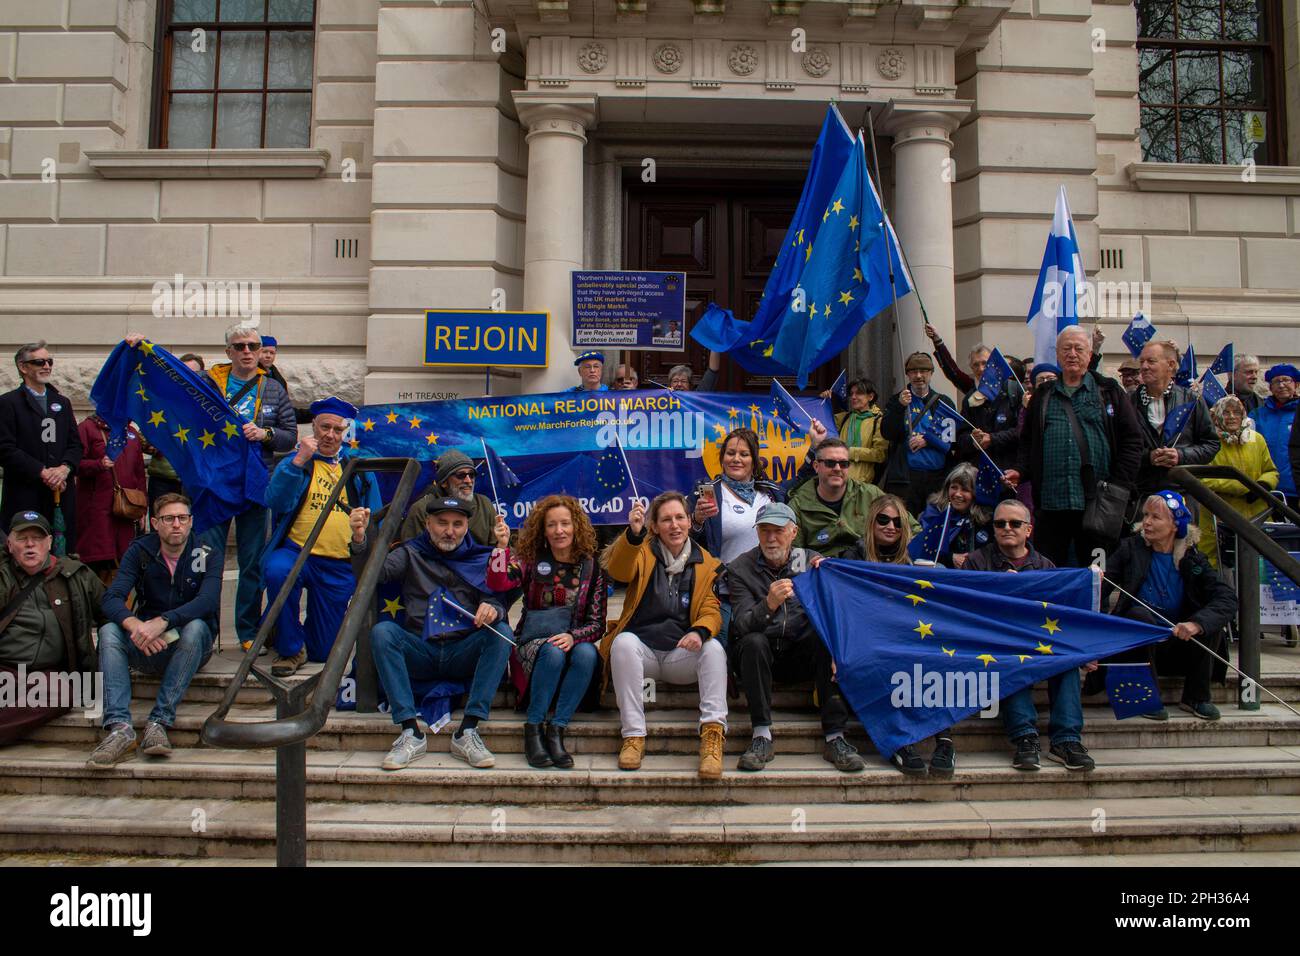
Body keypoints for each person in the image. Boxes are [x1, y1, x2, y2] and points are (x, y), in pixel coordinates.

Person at [354, 496, 514, 771]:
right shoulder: (409, 552)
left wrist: (492, 608)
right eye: (441, 523)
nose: (449, 531)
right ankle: (409, 732)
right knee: (383, 633)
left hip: (462, 651)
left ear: (467, 526)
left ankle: (468, 730)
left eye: (457, 524)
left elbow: (499, 597)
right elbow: (374, 575)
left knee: (500, 632)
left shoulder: (481, 557)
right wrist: (360, 539)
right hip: (421, 649)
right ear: (428, 524)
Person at [727, 502, 864, 772]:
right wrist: (768, 605)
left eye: (778, 531)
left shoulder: (810, 561)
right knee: (753, 641)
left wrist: (827, 575)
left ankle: (836, 737)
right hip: (761, 657)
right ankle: (761, 736)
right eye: (764, 530)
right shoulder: (740, 567)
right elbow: (742, 625)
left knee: (828, 640)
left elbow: (837, 611)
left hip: (802, 654)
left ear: (793, 532)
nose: (771, 538)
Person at [88, 494, 223, 767]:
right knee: (109, 631)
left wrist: (163, 622)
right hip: (147, 641)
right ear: (154, 523)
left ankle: (159, 721)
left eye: (182, 518)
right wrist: (136, 625)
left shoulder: (207, 552)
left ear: (190, 522)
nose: (176, 524)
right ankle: (119, 728)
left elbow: (207, 601)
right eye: (168, 519)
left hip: (191, 645)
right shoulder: (140, 550)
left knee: (195, 627)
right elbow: (111, 598)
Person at [601, 493, 726, 779]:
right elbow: (619, 571)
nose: (675, 525)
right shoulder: (642, 551)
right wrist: (633, 535)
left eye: (680, 517)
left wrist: (699, 630)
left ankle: (712, 735)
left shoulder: (705, 562)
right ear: (654, 526)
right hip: (643, 652)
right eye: (666, 519)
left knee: (714, 648)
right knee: (622, 642)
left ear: (688, 520)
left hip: (679, 655)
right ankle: (633, 737)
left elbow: (711, 608)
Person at [964, 499, 1096, 770]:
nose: (1007, 528)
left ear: (1028, 530)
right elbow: (967, 611)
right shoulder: (976, 561)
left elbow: (1063, 616)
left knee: (1067, 659)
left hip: (1039, 643)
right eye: (1000, 523)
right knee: (1010, 657)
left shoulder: (1045, 565)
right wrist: (1002, 591)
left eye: (1015, 523)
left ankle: (1066, 740)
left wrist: (1085, 650)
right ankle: (1026, 737)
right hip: (997, 643)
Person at [261, 397, 381, 676]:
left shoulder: (359, 470)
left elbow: (376, 517)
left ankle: (279, 625)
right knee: (278, 571)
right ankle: (289, 648)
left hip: (339, 563)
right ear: (313, 427)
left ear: (345, 433)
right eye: (324, 427)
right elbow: (275, 501)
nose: (330, 435)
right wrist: (299, 460)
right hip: (297, 552)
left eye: (337, 430)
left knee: (323, 652)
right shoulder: (296, 462)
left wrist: (364, 534)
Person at [486, 496, 606, 768]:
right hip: (534, 643)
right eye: (552, 525)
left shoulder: (591, 567)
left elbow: (598, 623)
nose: (559, 530)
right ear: (543, 529)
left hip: (573, 641)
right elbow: (498, 582)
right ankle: (534, 727)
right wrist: (501, 548)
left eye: (565, 523)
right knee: (552, 652)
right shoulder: (529, 560)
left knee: (587, 653)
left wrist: (574, 636)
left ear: (576, 526)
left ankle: (556, 731)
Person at [1007, 327, 1143, 567]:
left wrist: (1119, 485)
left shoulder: (1109, 392)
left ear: (1089, 354)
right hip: (1051, 503)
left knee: (1096, 576)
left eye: (1079, 348)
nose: (1072, 354)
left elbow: (1132, 442)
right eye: (1066, 349)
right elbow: (1028, 442)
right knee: (1051, 574)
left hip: (1097, 505)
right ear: (1057, 355)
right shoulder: (1043, 396)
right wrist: (1021, 470)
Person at [198, 325, 296, 652]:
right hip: (215, 484)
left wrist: (265, 435)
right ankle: (206, 633)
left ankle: (247, 630)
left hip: (256, 484)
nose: (246, 351)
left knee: (252, 562)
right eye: (239, 346)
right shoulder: (209, 384)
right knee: (208, 560)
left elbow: (289, 435)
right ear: (228, 352)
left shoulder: (273, 389)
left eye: (252, 345)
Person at [1104, 491, 1238, 722]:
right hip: (1139, 647)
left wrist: (1196, 624)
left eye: (1155, 517)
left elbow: (1226, 598)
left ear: (1175, 524)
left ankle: (1196, 698)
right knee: (1137, 614)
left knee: (1208, 621)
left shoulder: (1193, 557)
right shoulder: (1130, 548)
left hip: (1178, 644)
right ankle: (1145, 697)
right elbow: (1102, 588)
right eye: (1145, 515)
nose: (1146, 522)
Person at [0, 512, 104, 745]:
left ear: (49, 543)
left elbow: (110, 611)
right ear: (9, 543)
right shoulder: (2, 574)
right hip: (5, 670)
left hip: (47, 676)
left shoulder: (77, 575)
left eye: (37, 538)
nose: (30, 544)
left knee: (61, 692)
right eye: (22, 538)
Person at [0, 342, 83, 546]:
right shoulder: (8, 403)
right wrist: (43, 472)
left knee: (61, 550)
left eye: (49, 361)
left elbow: (76, 445)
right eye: (39, 362)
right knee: (27, 546)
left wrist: (64, 468)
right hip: (26, 493)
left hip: (60, 493)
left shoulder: (62, 402)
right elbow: (5, 449)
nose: (46, 366)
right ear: (23, 367)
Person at [789, 437, 910, 558]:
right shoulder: (798, 504)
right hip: (821, 569)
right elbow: (793, 553)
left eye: (843, 464)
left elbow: (911, 527)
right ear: (816, 466)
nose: (837, 468)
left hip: (865, 566)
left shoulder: (871, 494)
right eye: (830, 463)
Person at [1129, 340, 1219, 500]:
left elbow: (1211, 444)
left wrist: (1180, 455)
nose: (1143, 367)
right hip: (1142, 495)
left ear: (1170, 365)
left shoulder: (1191, 400)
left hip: (1183, 493)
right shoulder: (1129, 402)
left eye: (1151, 361)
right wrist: (1148, 457)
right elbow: (1118, 447)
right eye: (1142, 361)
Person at [1195, 395, 1278, 568]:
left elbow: (1271, 471)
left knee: (1259, 566)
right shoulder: (1209, 442)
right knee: (1219, 566)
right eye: (1226, 412)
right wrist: (1241, 487)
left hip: (1257, 514)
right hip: (1220, 517)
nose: (1232, 416)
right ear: (1217, 415)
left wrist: (1262, 485)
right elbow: (1202, 479)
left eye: (1237, 412)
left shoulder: (1257, 440)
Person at [881, 351, 965, 515]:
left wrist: (928, 439)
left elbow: (952, 440)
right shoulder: (896, 400)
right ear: (908, 375)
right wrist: (899, 407)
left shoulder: (944, 402)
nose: (918, 376)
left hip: (937, 478)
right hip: (906, 479)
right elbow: (887, 433)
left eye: (923, 371)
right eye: (913, 372)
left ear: (931, 374)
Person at [75, 413, 146, 586]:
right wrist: (99, 465)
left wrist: (143, 507)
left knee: (124, 562)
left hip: (125, 512)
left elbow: (139, 474)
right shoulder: (87, 428)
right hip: (95, 512)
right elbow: (74, 464)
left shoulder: (131, 433)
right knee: (97, 561)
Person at [400, 449, 498, 546]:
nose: (468, 480)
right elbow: (411, 552)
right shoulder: (421, 509)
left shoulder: (484, 504)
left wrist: (501, 544)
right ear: (444, 482)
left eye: (471, 475)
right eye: (461, 475)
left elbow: (495, 548)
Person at [145, 353, 205, 509]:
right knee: (162, 526)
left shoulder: (208, 405)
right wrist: (157, 446)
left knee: (194, 529)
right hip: (164, 478)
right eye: (182, 371)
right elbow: (144, 435)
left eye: (194, 373)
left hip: (197, 478)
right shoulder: (161, 401)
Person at [909, 463, 992, 568]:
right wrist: (951, 557)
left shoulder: (985, 518)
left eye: (965, 490)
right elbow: (922, 548)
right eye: (954, 487)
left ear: (976, 494)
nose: (957, 494)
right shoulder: (935, 513)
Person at [832, 378, 889, 485]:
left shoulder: (879, 420)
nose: (853, 397)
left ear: (870, 397)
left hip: (863, 484)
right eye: (851, 393)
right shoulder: (845, 418)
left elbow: (880, 454)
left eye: (859, 393)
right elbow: (822, 422)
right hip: (839, 480)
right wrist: (825, 400)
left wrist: (850, 452)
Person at [1254, 363, 1297, 506]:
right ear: (1270, 387)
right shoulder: (1258, 415)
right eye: (1276, 381)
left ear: (1295, 384)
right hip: (1267, 489)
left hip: (1295, 489)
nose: (1282, 385)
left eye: (1286, 380)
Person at [843, 493, 913, 564]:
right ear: (871, 522)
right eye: (883, 519)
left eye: (898, 521)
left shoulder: (914, 557)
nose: (891, 527)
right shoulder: (853, 556)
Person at [258, 335, 311, 424]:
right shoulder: (252, 374)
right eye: (264, 352)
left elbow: (284, 408)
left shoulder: (274, 374)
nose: (268, 356)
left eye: (272, 353)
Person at [922, 323, 984, 395]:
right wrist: (936, 339)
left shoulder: (1000, 387)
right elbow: (953, 372)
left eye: (985, 363)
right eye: (976, 365)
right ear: (971, 367)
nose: (981, 368)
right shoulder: (972, 388)